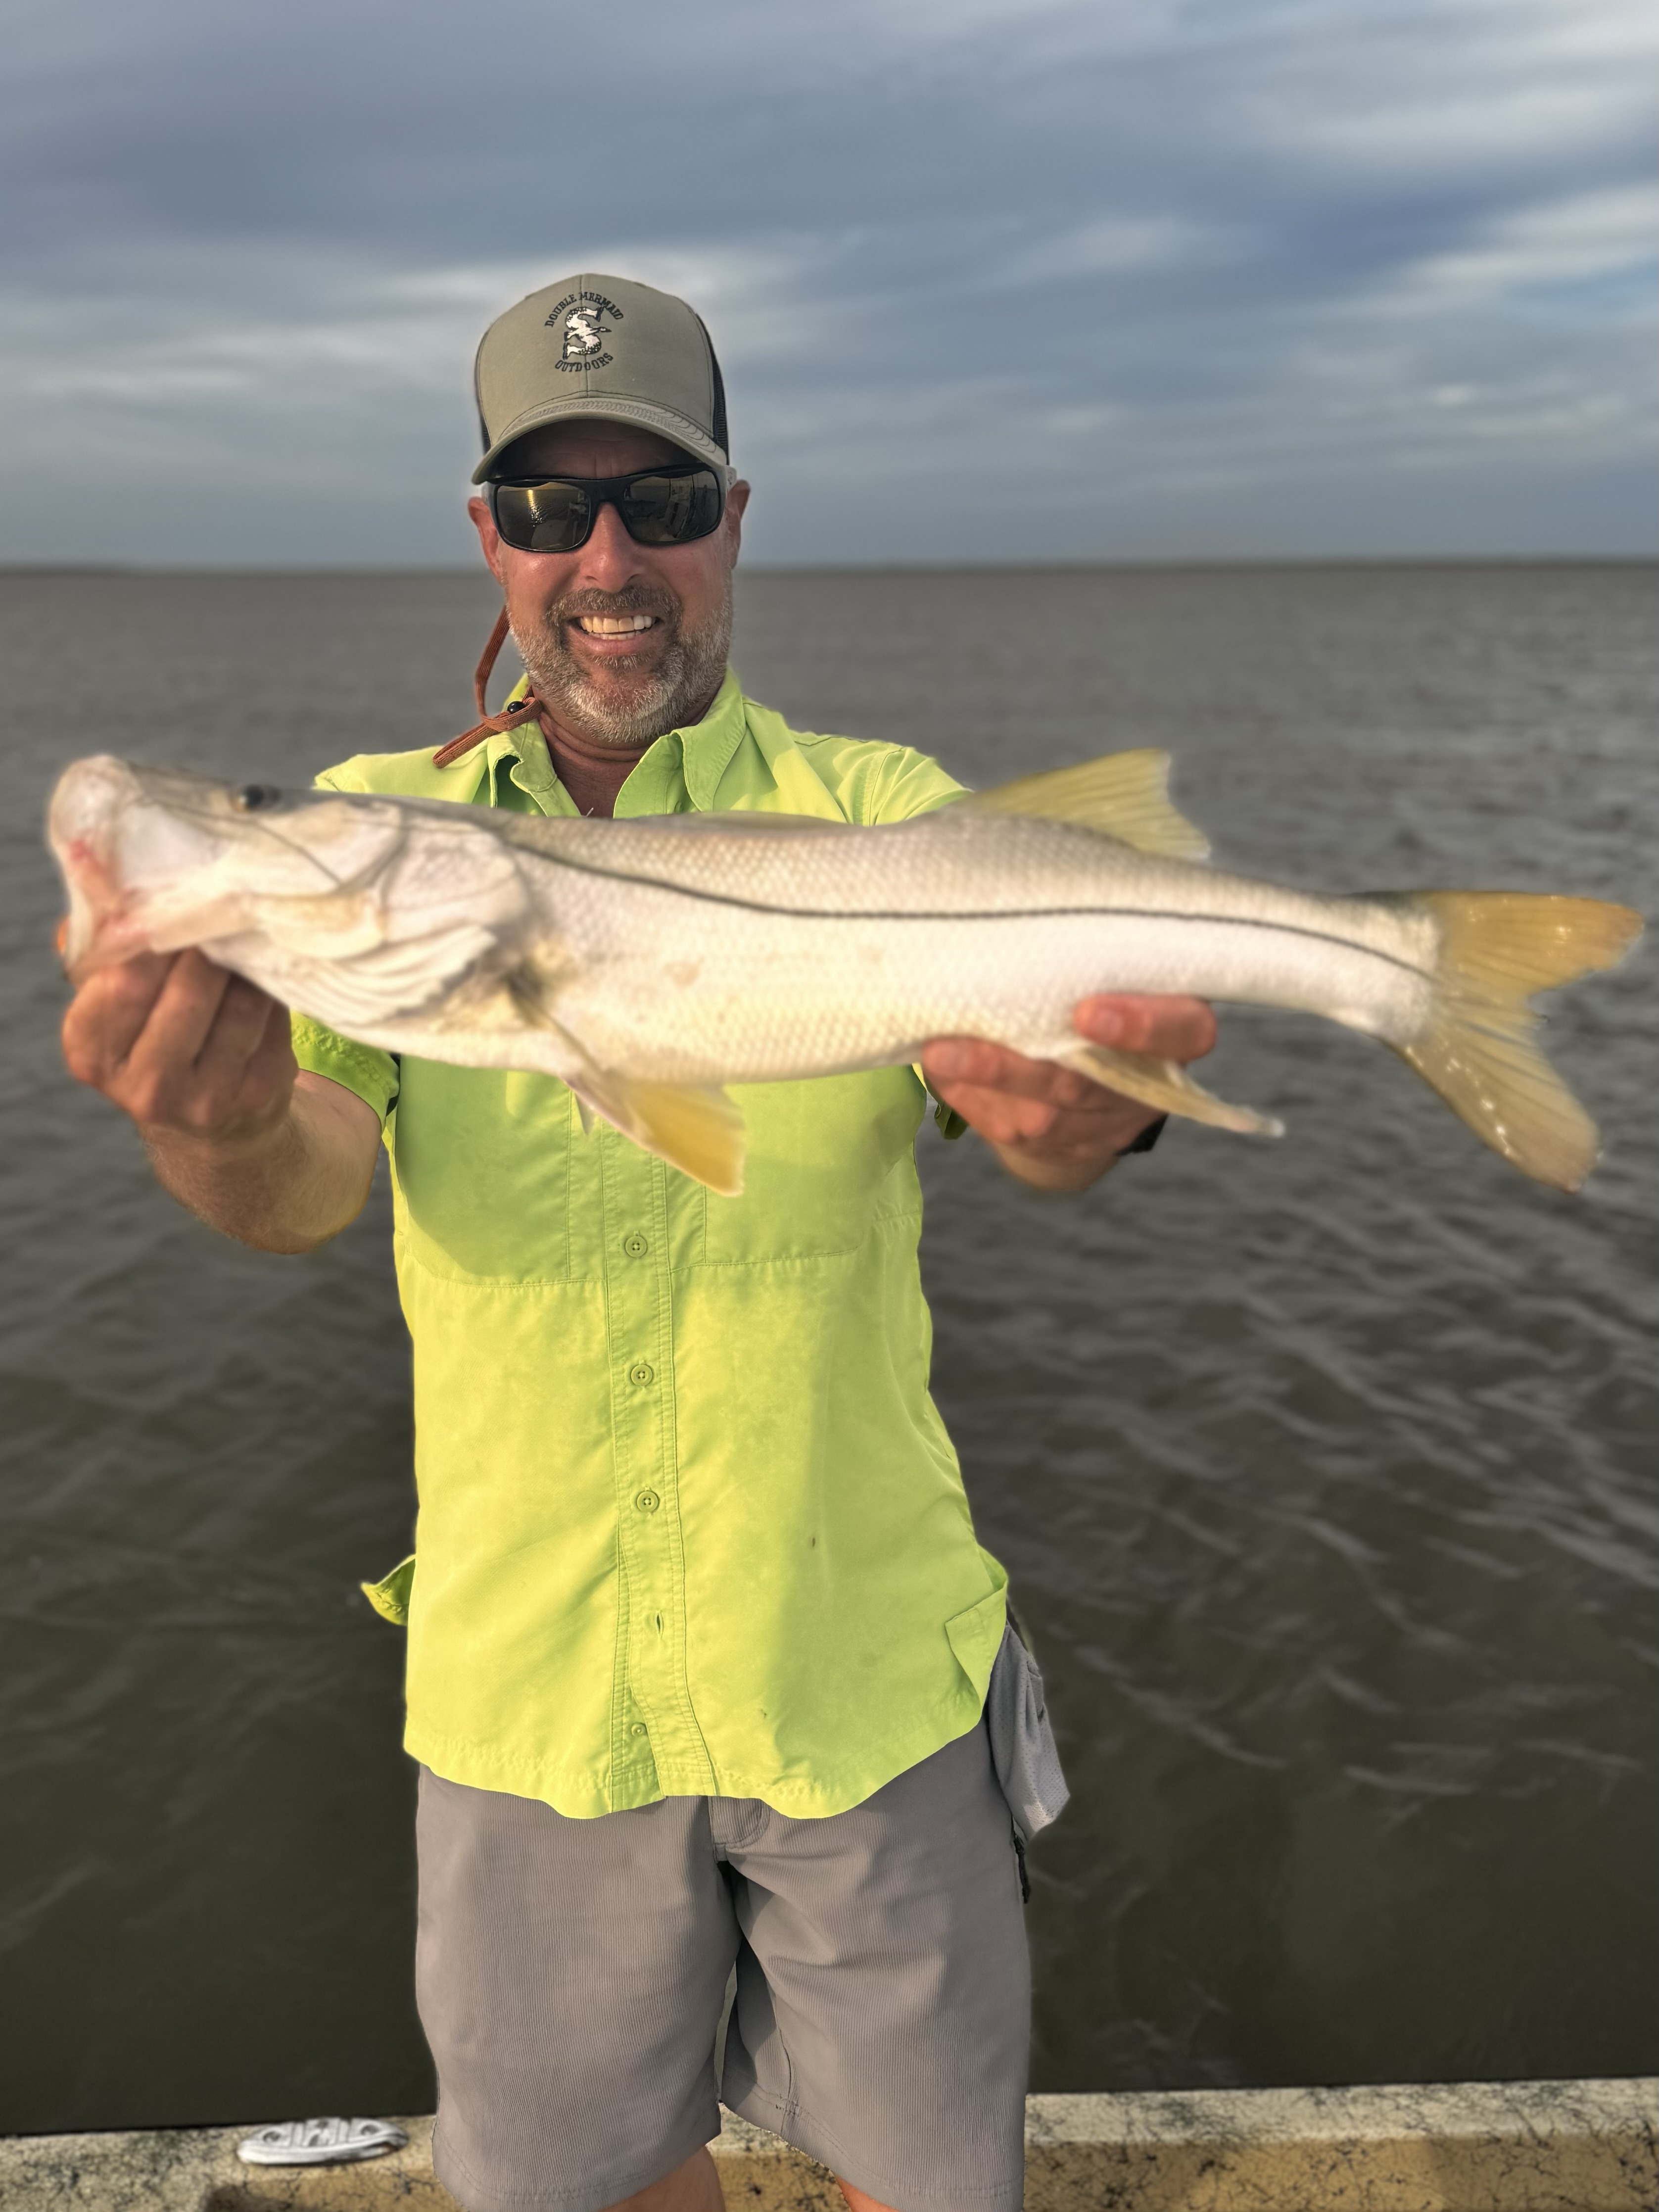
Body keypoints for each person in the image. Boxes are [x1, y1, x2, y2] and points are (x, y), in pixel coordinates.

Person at [60, 274, 1216, 2212]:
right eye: (546, 506)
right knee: (577, 2184)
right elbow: (305, 1178)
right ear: (488, 538)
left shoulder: (879, 818)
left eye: (659, 502)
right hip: (531, 1682)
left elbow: (1040, 1118)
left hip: (859, 1661)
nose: (607, 559)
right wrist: (224, 1119)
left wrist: (1088, 1109)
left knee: (932, 2181)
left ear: (733, 520)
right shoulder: (376, 842)